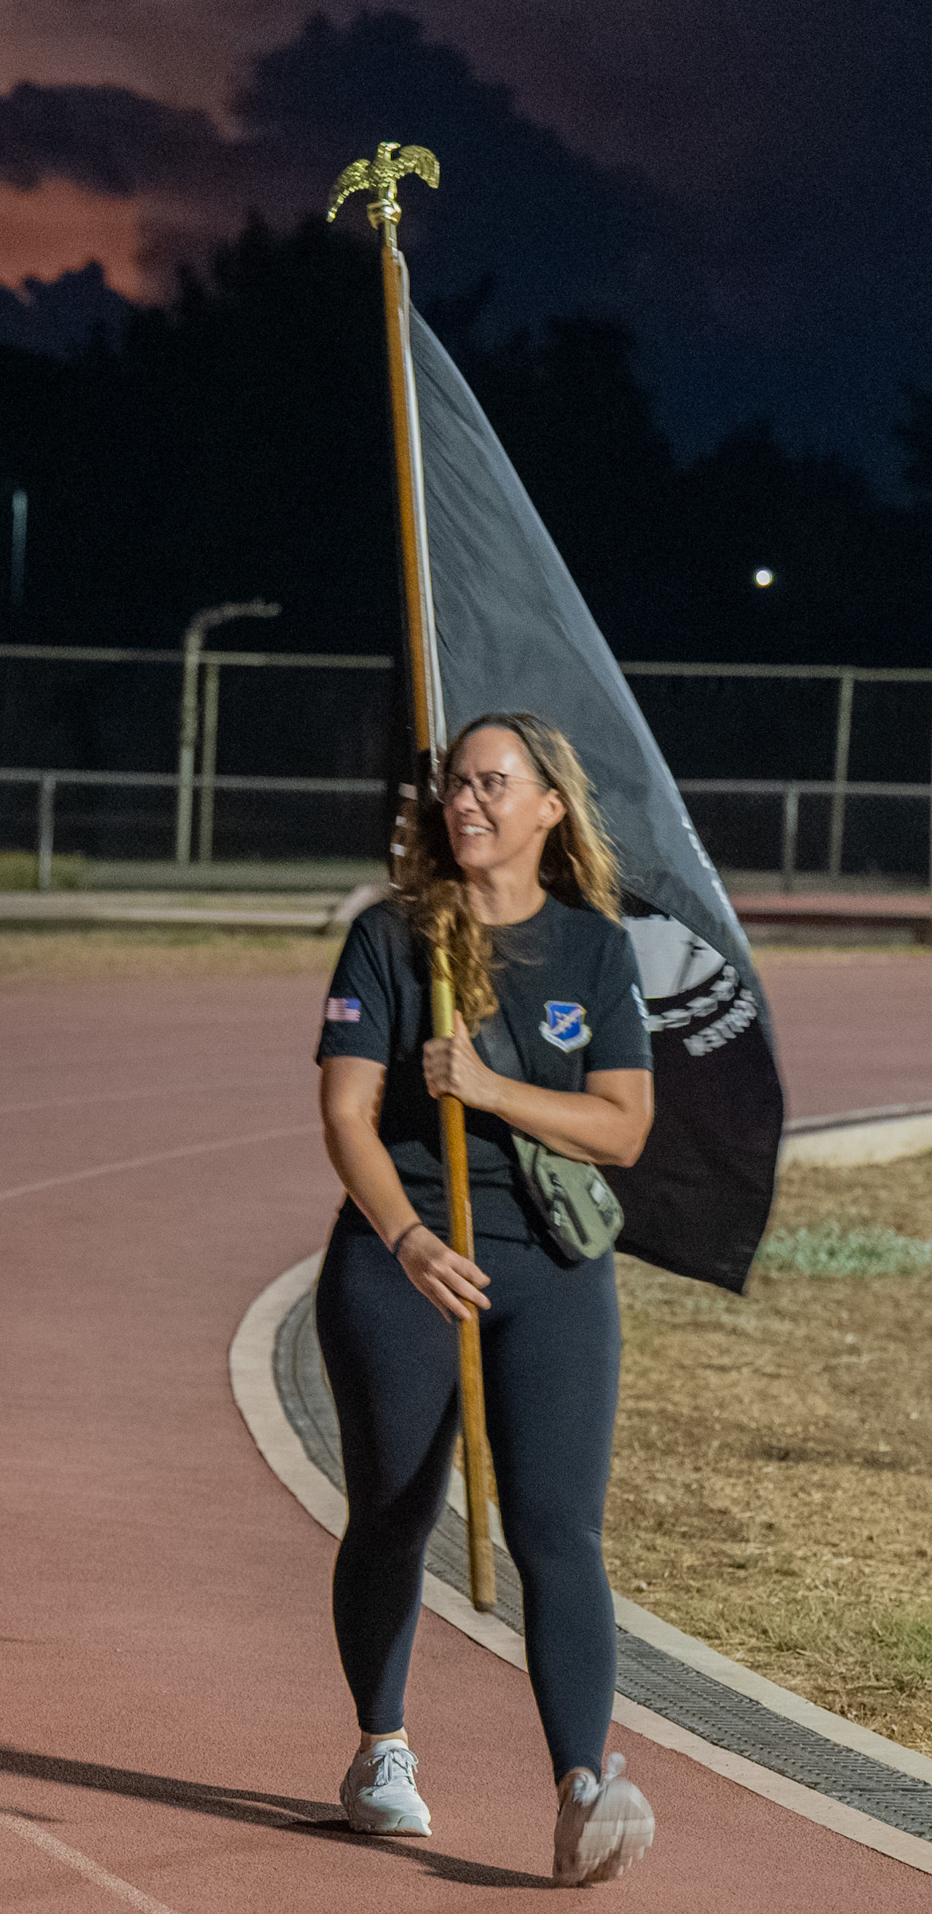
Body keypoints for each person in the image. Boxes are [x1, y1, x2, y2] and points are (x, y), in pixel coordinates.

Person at [315, 713, 657, 1888]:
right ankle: (380, 1744)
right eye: (454, 782)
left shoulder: (593, 949)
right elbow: (345, 1113)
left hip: (550, 1269)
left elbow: (620, 1126)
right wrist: (406, 1236)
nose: (465, 800)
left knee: (556, 1530)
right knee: (393, 1514)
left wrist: (491, 1086)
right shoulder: (388, 937)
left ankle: (578, 1785)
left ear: (548, 806)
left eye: (491, 782)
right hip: (402, 1258)